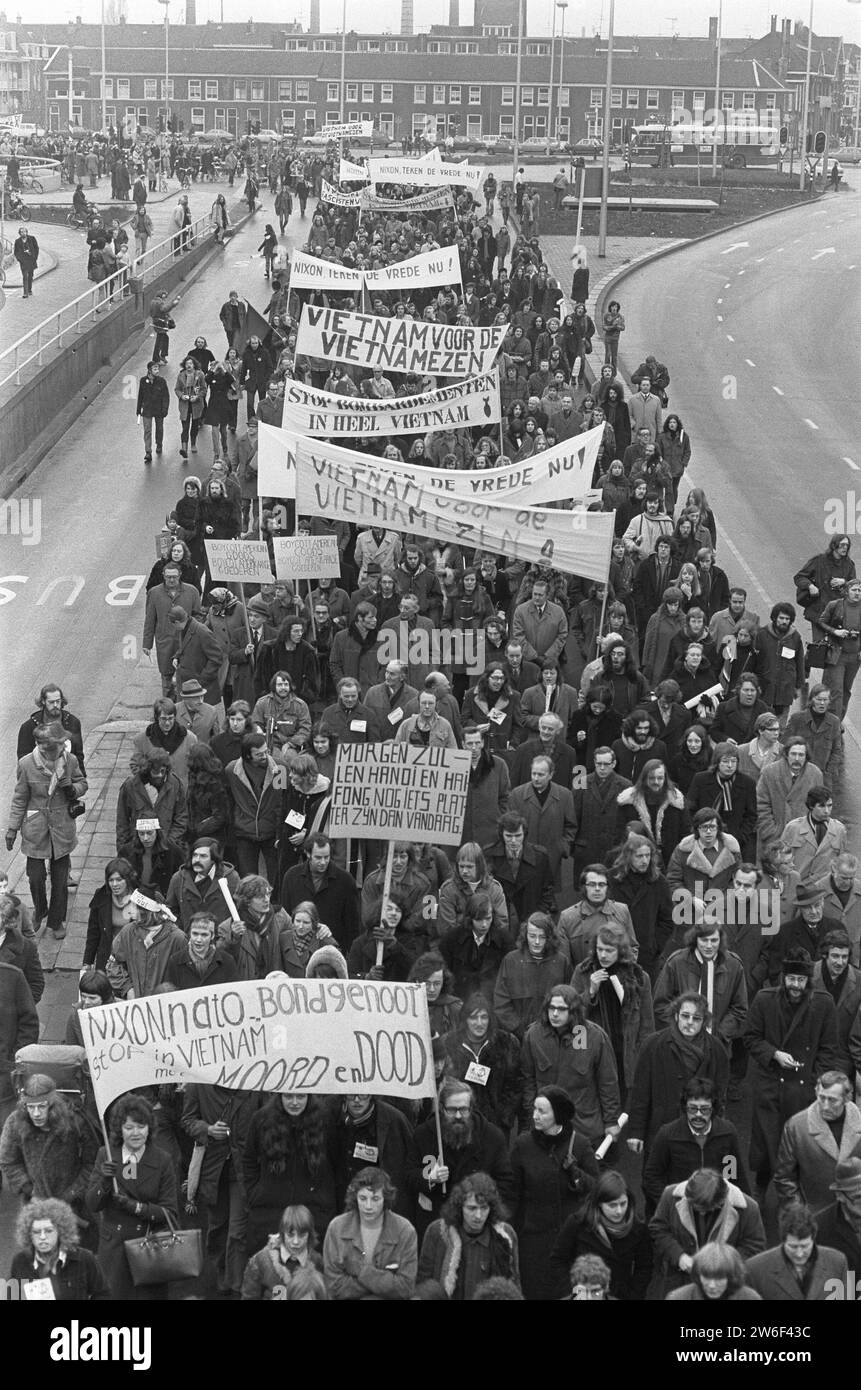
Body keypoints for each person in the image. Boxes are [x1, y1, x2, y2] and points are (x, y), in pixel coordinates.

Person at [743, 949, 838, 1200]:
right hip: (770, 1086)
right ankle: (760, 1190)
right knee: (766, 1147)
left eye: (801, 980)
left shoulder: (824, 1003)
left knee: (800, 1150)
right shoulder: (764, 1000)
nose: (795, 986)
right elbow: (750, 1038)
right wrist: (774, 1054)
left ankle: (796, 1202)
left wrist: (814, 1082)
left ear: (809, 981)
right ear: (783, 978)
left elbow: (829, 1050)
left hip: (804, 1090)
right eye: (791, 979)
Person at [86, 1092, 179, 1300]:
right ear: (120, 1129)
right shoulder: (106, 1154)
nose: (135, 1133)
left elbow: (170, 1213)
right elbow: (92, 1204)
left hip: (149, 1249)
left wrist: (136, 1207)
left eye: (141, 1126)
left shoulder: (163, 1160)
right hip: (114, 1250)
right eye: (129, 1128)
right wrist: (104, 1181)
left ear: (150, 1127)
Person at [509, 1085, 599, 1300]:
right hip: (533, 1241)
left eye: (542, 1111)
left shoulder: (580, 1144)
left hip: (571, 1241)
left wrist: (575, 1172)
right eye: (534, 1110)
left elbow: (596, 1188)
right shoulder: (523, 1145)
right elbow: (512, 1192)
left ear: (558, 1114)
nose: (535, 1116)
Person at [6, 722, 88, 940]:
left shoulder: (69, 761)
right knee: (35, 876)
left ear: (60, 745)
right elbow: (20, 797)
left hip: (62, 828)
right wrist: (12, 828)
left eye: (54, 748)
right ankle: (40, 909)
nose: (51, 753)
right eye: (45, 748)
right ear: (39, 745)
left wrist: (72, 788)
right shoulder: (26, 764)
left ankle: (56, 920)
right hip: (36, 828)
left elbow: (83, 783)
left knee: (60, 880)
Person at [627, 992, 730, 1164]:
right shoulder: (653, 1044)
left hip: (700, 1132)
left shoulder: (716, 1049)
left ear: (704, 1021)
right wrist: (636, 1132)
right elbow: (640, 1093)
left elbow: (720, 1098)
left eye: (696, 1018)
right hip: (660, 1130)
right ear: (676, 1016)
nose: (689, 1022)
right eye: (685, 1016)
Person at [406, 1079, 514, 1238]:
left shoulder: (492, 1137)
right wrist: (429, 1179)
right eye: (451, 1110)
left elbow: (506, 1182)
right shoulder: (424, 1134)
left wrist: (482, 1204)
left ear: (472, 1108)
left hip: (477, 1225)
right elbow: (409, 1174)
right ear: (441, 1109)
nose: (458, 1116)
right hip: (436, 1223)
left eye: (463, 1109)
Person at [519, 984, 621, 1148]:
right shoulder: (533, 1035)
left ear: (573, 1011)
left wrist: (611, 1121)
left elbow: (608, 1083)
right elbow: (527, 1081)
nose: (555, 1014)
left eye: (561, 1009)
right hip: (546, 1127)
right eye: (551, 1008)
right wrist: (531, 1118)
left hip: (584, 1127)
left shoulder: (594, 1036)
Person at [648, 1166, 765, 1299]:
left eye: (706, 1210)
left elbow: (754, 1245)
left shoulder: (748, 1208)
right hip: (680, 1280)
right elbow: (658, 1228)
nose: (701, 1213)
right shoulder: (670, 1195)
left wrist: (724, 1265)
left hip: (724, 1285)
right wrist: (679, 1256)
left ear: (722, 1201)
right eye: (695, 1208)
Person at [571, 923, 655, 1103]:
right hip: (595, 1052)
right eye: (600, 949)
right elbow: (572, 1018)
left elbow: (647, 1024)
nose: (603, 955)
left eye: (609, 950)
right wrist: (590, 992)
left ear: (620, 951)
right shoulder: (583, 972)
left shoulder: (639, 977)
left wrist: (642, 1060)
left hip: (626, 1053)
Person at [242, 1094, 337, 1250]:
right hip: (269, 1212)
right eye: (288, 1096)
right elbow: (248, 1160)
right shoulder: (261, 1119)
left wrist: (325, 1198)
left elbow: (334, 1162)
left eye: (300, 1097)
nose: (294, 1102)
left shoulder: (324, 1119)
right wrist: (255, 1193)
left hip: (314, 1213)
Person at [642, 1078, 750, 1211]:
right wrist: (671, 1205)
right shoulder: (667, 1135)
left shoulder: (727, 1133)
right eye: (693, 1109)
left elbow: (733, 1174)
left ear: (713, 1108)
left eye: (704, 1109)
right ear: (685, 1107)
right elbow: (652, 1177)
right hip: (680, 1210)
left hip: (716, 1208)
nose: (698, 1115)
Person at [550, 1169, 653, 1301]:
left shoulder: (637, 1228)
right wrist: (573, 1293)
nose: (619, 1211)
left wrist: (634, 1295)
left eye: (623, 1204)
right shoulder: (578, 1223)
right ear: (599, 1204)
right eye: (612, 1205)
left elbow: (644, 1267)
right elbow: (558, 1260)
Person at [417, 1172, 520, 1300]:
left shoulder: (505, 1235)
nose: (478, 1215)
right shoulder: (437, 1231)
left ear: (491, 1208)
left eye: (484, 1208)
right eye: (472, 1208)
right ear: (460, 1207)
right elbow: (423, 1285)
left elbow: (513, 1287)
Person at [773, 1070, 861, 1215]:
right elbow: (784, 1178)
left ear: (847, 1098)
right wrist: (800, 1215)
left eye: (832, 1100)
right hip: (816, 1217)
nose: (825, 1106)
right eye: (822, 1098)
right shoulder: (797, 1126)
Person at [323, 1166, 417, 1301]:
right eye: (362, 1198)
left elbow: (405, 1288)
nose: (368, 1206)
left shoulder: (405, 1231)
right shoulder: (336, 1228)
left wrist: (362, 1272)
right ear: (355, 1197)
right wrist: (381, 1283)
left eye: (375, 1199)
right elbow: (334, 1286)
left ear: (385, 1198)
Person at [9, 1198, 110, 1300]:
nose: (42, 1237)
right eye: (36, 1232)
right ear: (29, 1234)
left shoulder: (84, 1258)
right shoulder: (20, 1261)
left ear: (61, 1231)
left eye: (49, 1231)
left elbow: (103, 1294)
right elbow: (12, 1296)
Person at [744, 1203, 847, 1301]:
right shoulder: (755, 1269)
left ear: (813, 1238)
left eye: (805, 1246)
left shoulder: (838, 1263)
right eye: (793, 1247)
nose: (799, 1254)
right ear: (783, 1240)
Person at [666, 1240, 762, 1301]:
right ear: (698, 1275)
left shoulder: (750, 1298)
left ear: (731, 1277)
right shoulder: (678, 1298)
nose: (712, 1285)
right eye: (706, 1277)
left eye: (719, 1278)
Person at [136, 360, 170, 465]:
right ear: (149, 370)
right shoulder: (143, 381)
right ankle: (148, 452)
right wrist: (138, 409)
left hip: (159, 409)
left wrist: (165, 409)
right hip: (147, 409)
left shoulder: (161, 381)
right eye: (155, 369)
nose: (157, 370)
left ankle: (159, 444)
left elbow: (166, 396)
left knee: (159, 428)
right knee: (147, 430)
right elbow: (140, 395)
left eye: (157, 368)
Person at [13, 225, 39, 298]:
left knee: (30, 276)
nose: (23, 233)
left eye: (24, 232)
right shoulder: (17, 241)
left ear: (26, 232)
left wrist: (35, 257)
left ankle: (29, 289)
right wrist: (20, 259)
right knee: (25, 276)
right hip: (23, 262)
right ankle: (25, 293)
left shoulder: (32, 238)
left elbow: (36, 248)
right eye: (21, 232)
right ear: (19, 233)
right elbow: (16, 252)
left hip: (31, 260)